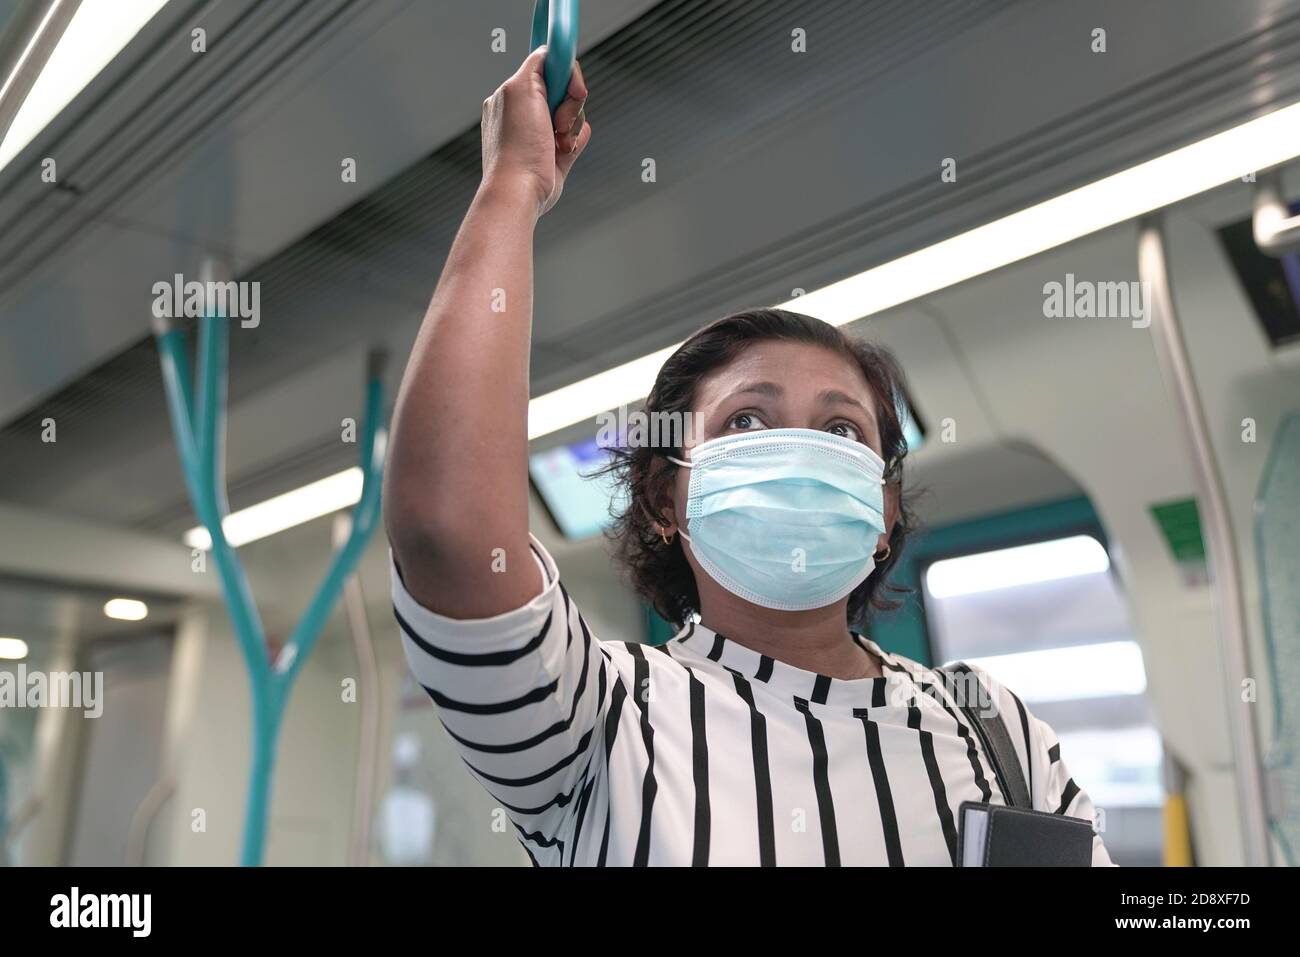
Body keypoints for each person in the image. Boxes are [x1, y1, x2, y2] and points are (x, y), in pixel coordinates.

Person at [383, 47, 1112, 866]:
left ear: (884, 513)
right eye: (746, 424)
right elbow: (445, 529)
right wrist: (514, 184)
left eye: (840, 431)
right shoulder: (601, 720)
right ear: (667, 498)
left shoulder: (995, 729)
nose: (798, 452)